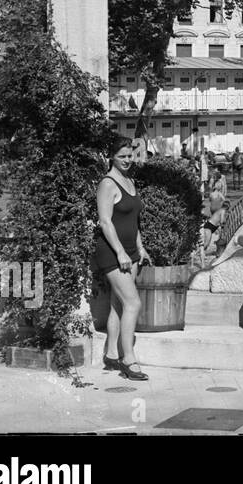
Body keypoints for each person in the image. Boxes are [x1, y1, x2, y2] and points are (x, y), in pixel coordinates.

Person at [93, 136, 151, 381]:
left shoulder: (129, 180)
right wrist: (120, 252)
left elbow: (133, 221)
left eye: (130, 155)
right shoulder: (108, 184)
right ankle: (129, 359)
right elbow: (105, 221)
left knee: (119, 305)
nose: (128, 160)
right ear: (111, 157)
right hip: (113, 251)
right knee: (133, 303)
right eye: (122, 156)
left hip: (131, 251)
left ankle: (111, 354)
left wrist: (140, 248)